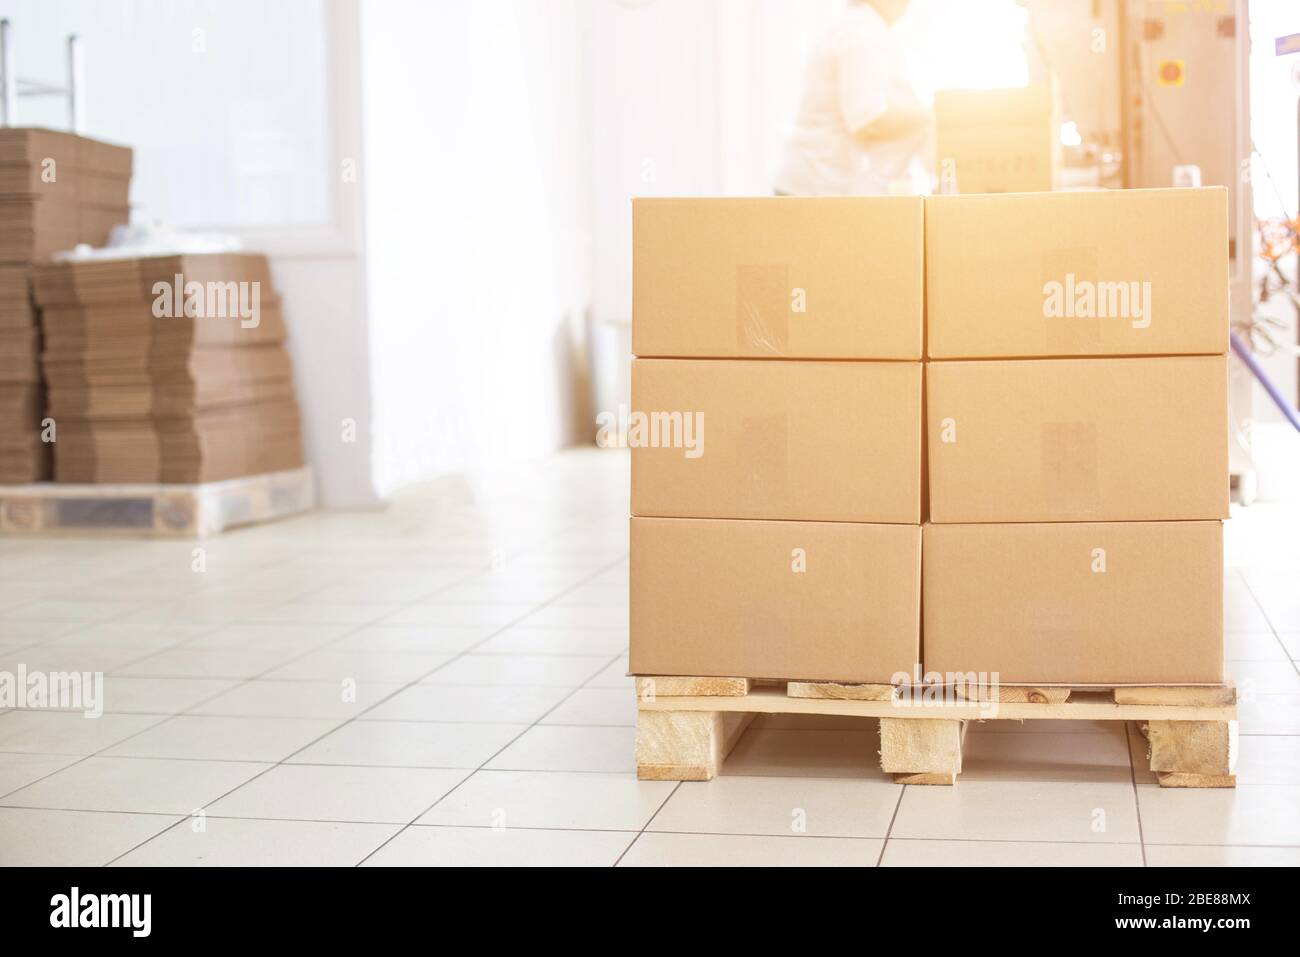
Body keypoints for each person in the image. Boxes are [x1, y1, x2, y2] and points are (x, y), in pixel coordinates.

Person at [774, 0, 930, 196]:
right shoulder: (862, 33)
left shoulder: (865, 29)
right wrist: (933, 115)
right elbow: (867, 120)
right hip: (816, 190)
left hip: (819, 186)